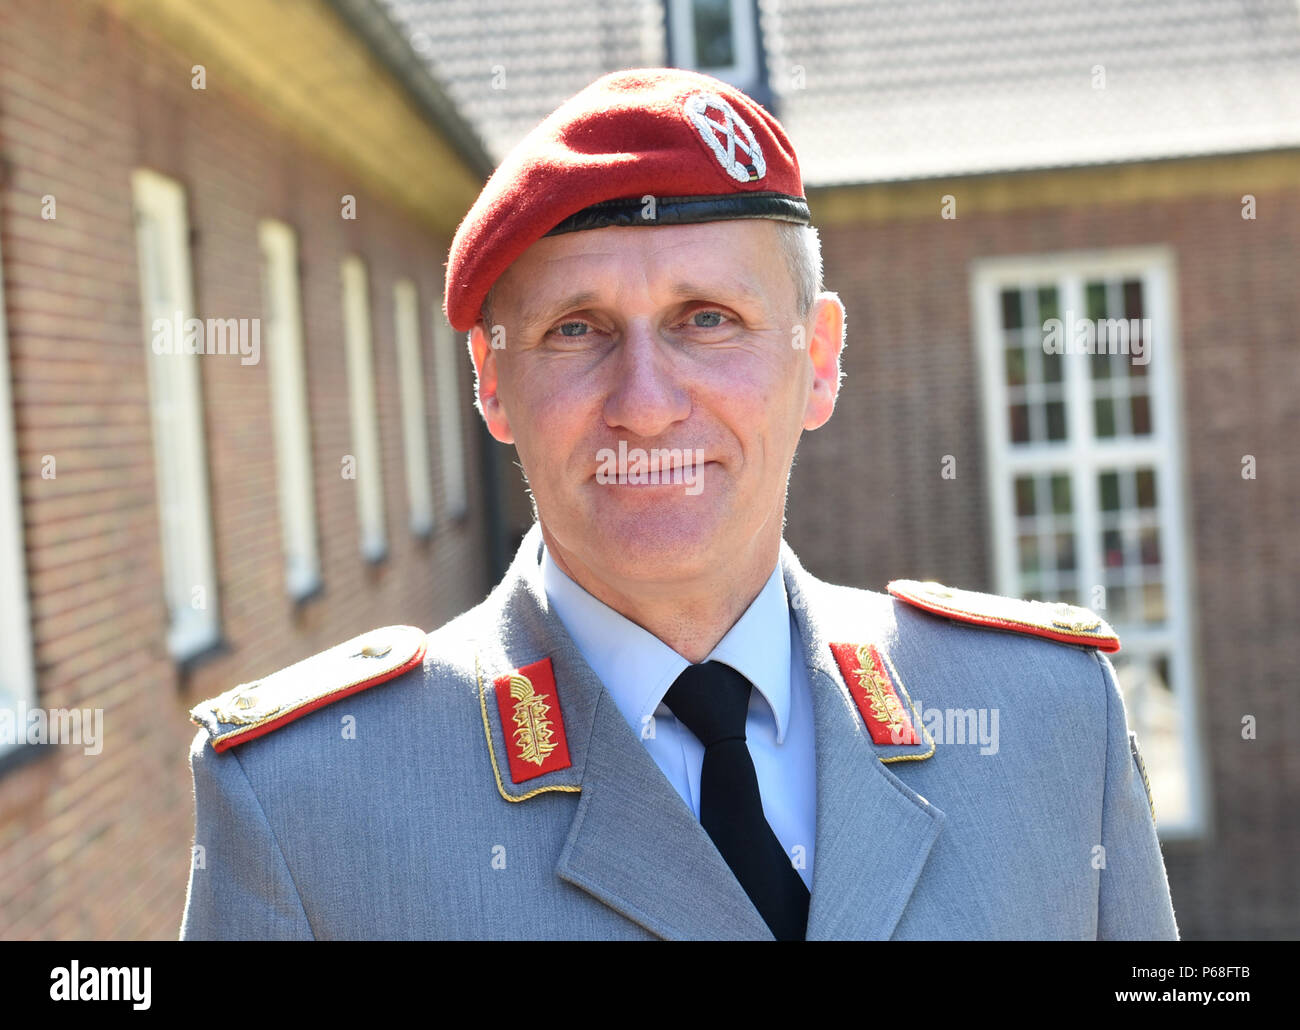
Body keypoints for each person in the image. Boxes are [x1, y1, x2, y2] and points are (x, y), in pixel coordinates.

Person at [180, 67, 1179, 941]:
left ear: (818, 360)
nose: (646, 406)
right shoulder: (305, 803)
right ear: (491, 379)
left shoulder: (1046, 721)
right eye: (577, 329)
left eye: (709, 319)